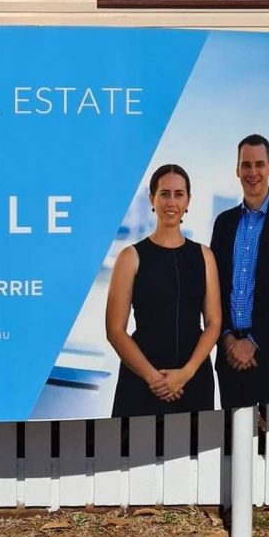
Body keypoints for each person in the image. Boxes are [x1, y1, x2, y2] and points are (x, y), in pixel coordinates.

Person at [106, 164, 221, 417]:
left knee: (194, 454)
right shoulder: (130, 257)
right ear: (152, 199)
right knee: (135, 455)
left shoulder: (204, 256)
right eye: (164, 193)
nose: (172, 201)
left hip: (194, 381)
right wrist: (154, 379)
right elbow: (115, 330)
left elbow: (214, 323)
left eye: (179, 194)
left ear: (188, 201)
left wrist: (186, 373)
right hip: (141, 382)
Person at [210, 134, 269, 409]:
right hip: (229, 353)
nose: (252, 172)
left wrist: (254, 342)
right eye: (246, 165)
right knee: (230, 440)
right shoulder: (224, 223)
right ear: (237, 170)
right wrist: (228, 338)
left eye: (259, 164)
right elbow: (214, 287)